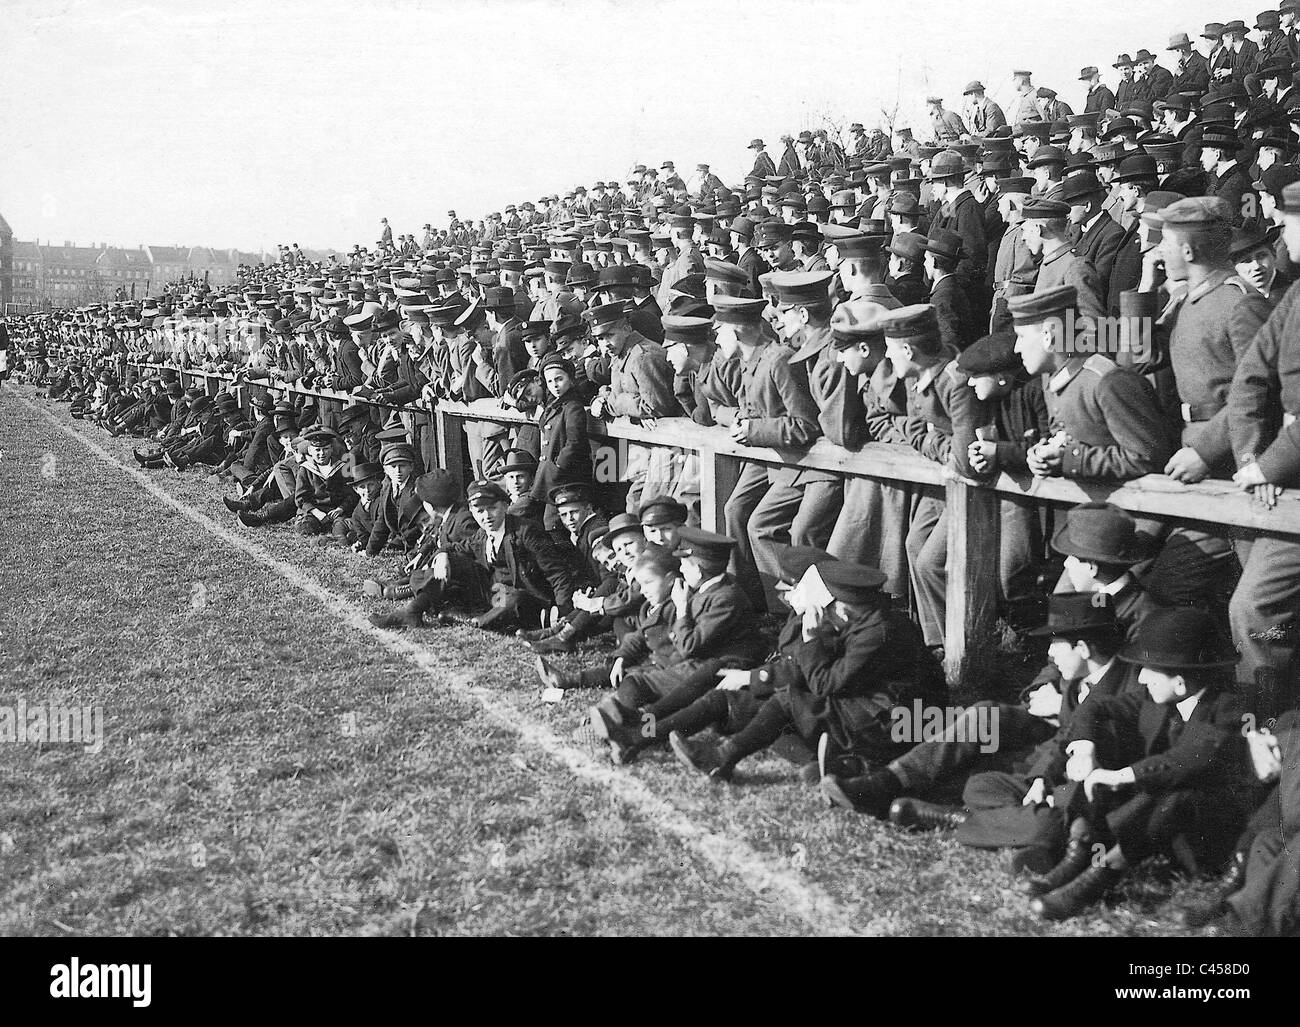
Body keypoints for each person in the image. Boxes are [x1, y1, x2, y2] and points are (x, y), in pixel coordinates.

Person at [1027, 607, 1250, 921]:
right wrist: (1086, 749)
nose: (1141, 677)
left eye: (1148, 669)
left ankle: (1103, 873)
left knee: (1174, 792)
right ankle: (1080, 852)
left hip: (1205, 841)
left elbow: (1190, 759)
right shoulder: (1155, 699)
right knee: (1098, 748)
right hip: (1151, 829)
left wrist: (1122, 776)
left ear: (1181, 683)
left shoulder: (1227, 710)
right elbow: (1097, 708)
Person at [671, 559, 946, 783]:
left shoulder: (876, 634)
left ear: (843, 609)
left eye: (829, 610)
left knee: (789, 700)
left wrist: (811, 638)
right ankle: (837, 764)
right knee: (786, 703)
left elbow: (825, 685)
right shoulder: (870, 621)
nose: (827, 618)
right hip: (883, 707)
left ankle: (721, 759)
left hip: (897, 721)